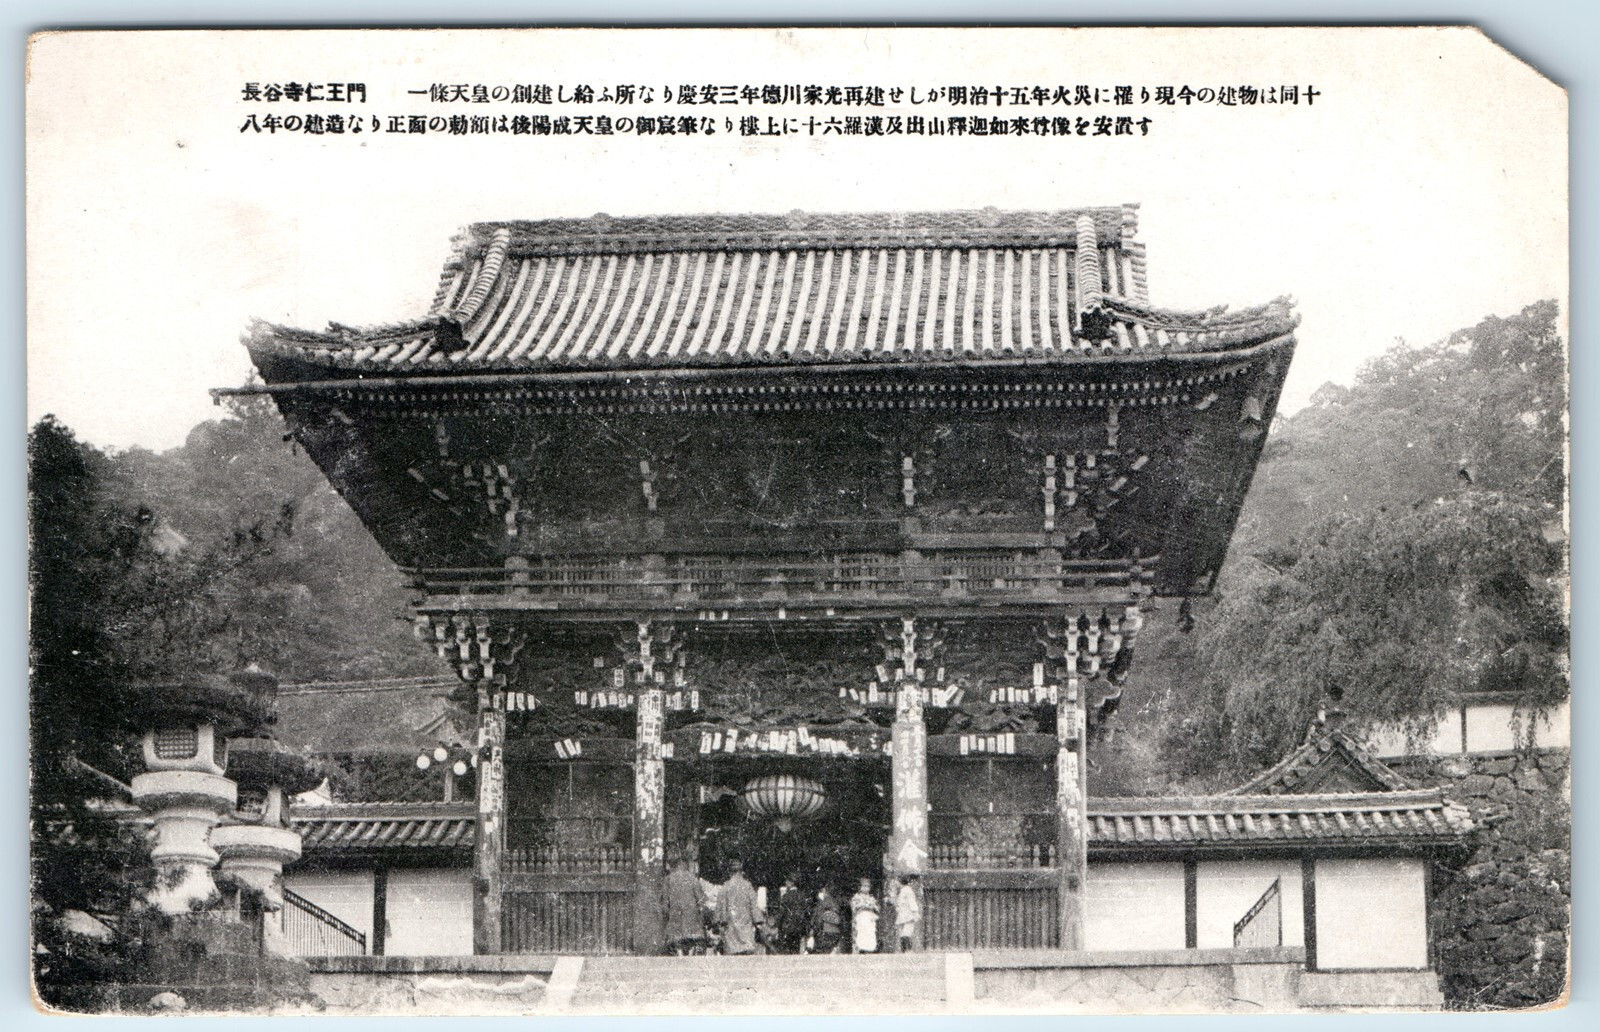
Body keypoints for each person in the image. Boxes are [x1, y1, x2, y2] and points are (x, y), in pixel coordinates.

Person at [661, 854, 708, 955]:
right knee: (692, 942)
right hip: (692, 918)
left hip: (675, 916)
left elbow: (665, 904)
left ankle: (679, 954)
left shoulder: (668, 879)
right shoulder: (692, 878)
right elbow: (701, 900)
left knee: (677, 942)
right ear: (685, 864)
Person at [716, 858, 762, 956]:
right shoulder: (747, 886)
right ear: (742, 871)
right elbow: (754, 906)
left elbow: (721, 908)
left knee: (732, 953)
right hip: (745, 927)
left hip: (731, 928)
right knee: (746, 954)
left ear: (730, 872)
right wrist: (758, 921)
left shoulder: (726, 886)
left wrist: (722, 921)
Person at [773, 873, 808, 954]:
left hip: (788, 927)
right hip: (799, 927)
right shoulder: (802, 896)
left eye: (787, 881)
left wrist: (775, 924)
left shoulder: (786, 896)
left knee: (787, 950)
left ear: (791, 882)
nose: (785, 883)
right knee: (796, 949)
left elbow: (781, 912)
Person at [809, 885, 843, 954]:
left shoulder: (822, 903)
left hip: (825, 930)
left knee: (824, 951)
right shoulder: (835, 903)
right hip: (836, 930)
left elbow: (818, 918)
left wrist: (814, 930)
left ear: (824, 891)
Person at [850, 877, 880, 954]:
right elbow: (854, 907)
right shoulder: (856, 897)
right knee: (861, 932)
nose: (866, 888)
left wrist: (872, 907)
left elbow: (877, 907)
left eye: (868, 886)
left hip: (869, 917)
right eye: (864, 886)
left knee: (870, 932)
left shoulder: (871, 898)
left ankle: (869, 949)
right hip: (861, 916)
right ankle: (861, 948)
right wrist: (863, 906)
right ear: (860, 887)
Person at [895, 874, 921, 952]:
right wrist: (915, 911)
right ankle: (906, 948)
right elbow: (911, 902)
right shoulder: (907, 890)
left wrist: (915, 911)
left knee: (905, 931)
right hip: (906, 913)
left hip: (905, 913)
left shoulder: (904, 890)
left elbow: (911, 902)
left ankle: (905, 948)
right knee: (907, 931)